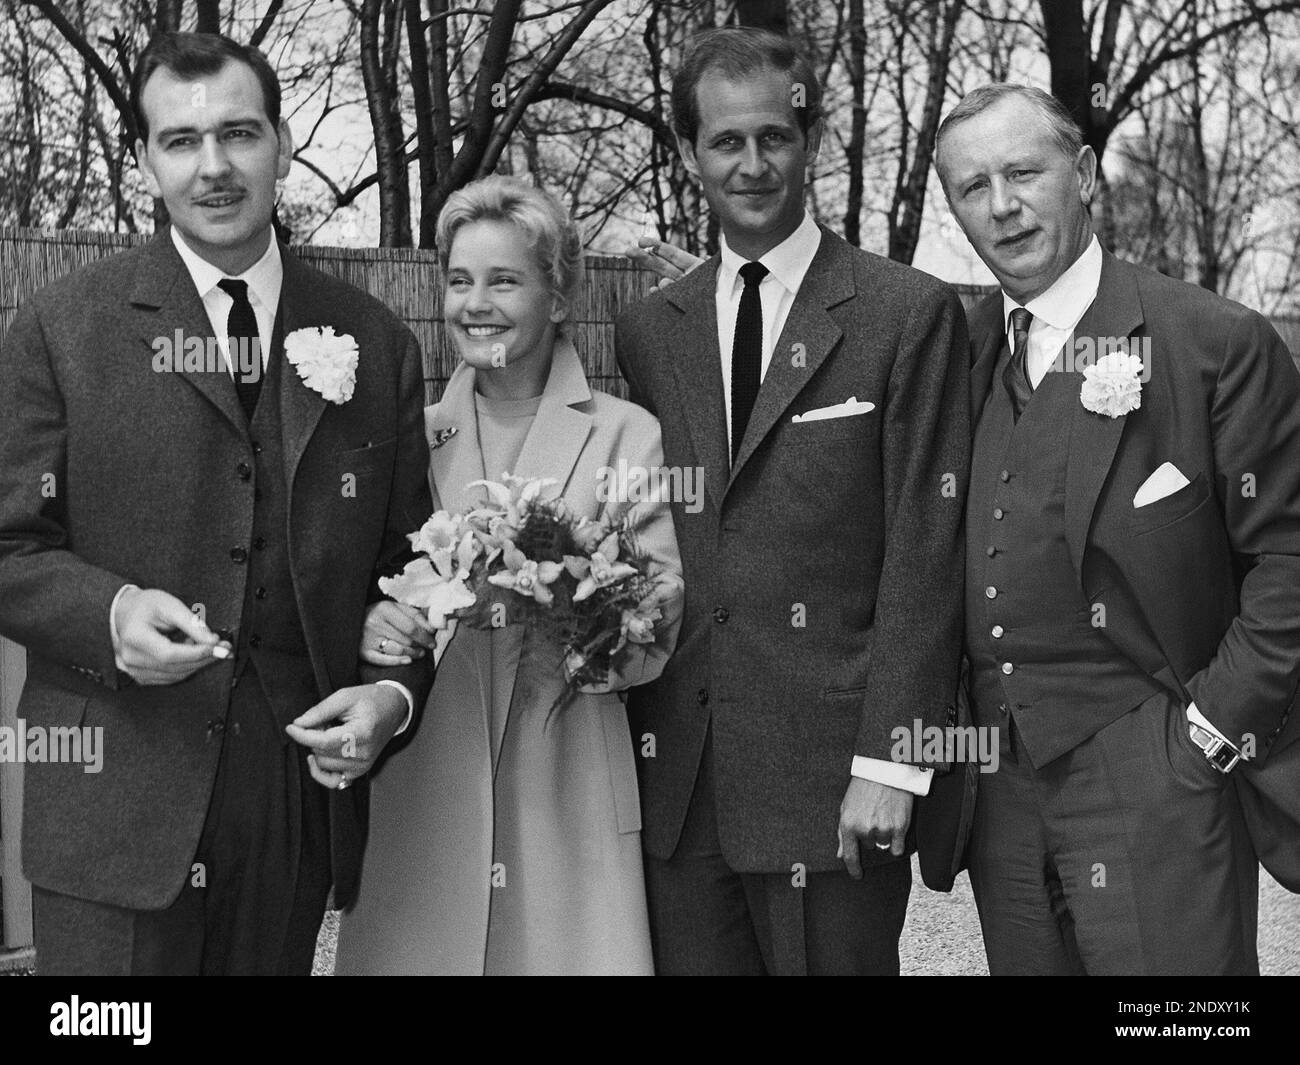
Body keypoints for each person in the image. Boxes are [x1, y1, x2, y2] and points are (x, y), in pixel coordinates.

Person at [0, 31, 434, 975]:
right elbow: (8, 547)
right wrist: (108, 612)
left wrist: (393, 699)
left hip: (291, 788)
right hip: (114, 799)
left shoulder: (376, 341)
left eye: (239, 133)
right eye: (181, 140)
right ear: (147, 162)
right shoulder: (59, 329)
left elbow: (419, 573)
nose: (215, 166)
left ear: (280, 145)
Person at [615, 27, 969, 975]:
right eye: (726, 141)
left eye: (775, 136)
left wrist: (891, 762)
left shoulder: (905, 312)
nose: (753, 162)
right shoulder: (651, 329)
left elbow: (926, 548)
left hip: (834, 786)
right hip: (681, 789)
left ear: (809, 142)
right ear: (691, 155)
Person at [934, 82, 1300, 974]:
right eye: (973, 187)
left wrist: (1207, 736)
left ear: (1086, 173)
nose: (1003, 206)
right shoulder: (958, 351)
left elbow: (1289, 560)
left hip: (1158, 773)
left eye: (1025, 172)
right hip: (995, 787)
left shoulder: (1213, 341)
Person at [334, 176, 684, 975]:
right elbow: (347, 588)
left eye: (504, 279)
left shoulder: (628, 435)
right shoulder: (406, 438)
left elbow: (658, 627)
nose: (475, 303)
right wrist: (371, 623)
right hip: (423, 797)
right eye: (459, 280)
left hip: (570, 797)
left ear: (558, 296)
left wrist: (565, 597)